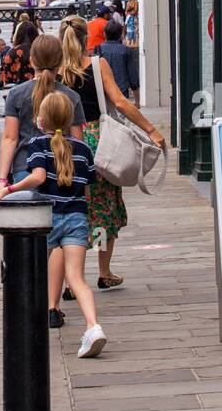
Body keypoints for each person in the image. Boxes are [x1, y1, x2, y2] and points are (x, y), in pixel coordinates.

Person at [0, 91, 107, 357]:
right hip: (77, 218)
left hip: (48, 218)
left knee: (29, 272)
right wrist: (87, 215)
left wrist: (10, 188)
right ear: (70, 120)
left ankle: (29, 324)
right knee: (77, 278)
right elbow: (87, 187)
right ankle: (93, 326)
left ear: (41, 120)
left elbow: (38, 177)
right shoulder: (83, 149)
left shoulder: (37, 144)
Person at [60, 15, 164, 289]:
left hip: (60, 145)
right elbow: (119, 101)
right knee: (102, 211)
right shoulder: (96, 65)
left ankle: (72, 281)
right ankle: (104, 271)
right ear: (87, 39)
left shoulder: (54, 70)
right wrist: (151, 130)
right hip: (96, 143)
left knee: (72, 212)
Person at [0, 35, 86, 210]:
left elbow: (10, 138)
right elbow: (77, 141)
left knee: (30, 231)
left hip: (25, 169)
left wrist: (2, 181)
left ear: (31, 60)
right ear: (60, 61)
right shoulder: (72, 97)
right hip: (61, 170)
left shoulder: (16, 94)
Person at [98, 20, 139, 102]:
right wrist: (137, 100)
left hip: (103, 95)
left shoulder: (99, 49)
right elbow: (133, 77)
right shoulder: (126, 50)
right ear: (121, 35)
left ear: (104, 34)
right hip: (121, 95)